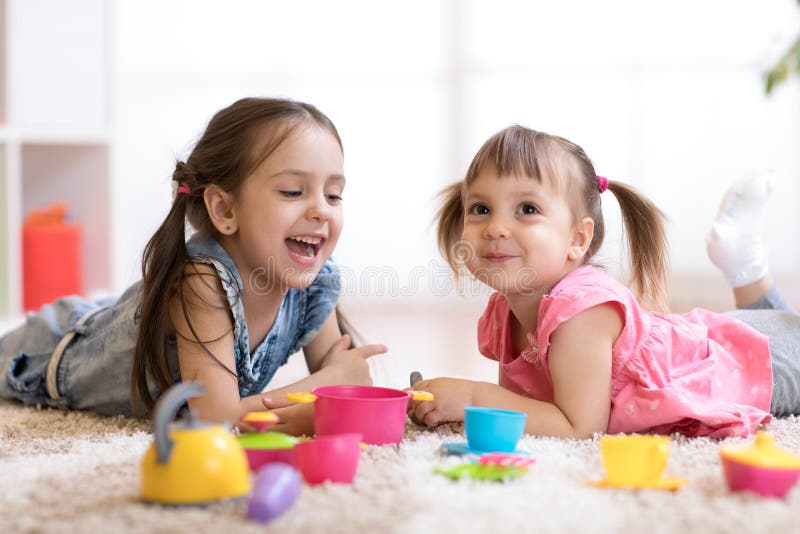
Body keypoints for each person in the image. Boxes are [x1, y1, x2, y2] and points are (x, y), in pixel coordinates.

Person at [0, 97, 386, 435]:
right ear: (224, 209)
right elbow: (216, 419)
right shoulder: (202, 283)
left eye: (334, 195)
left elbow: (342, 381)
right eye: (292, 191)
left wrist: (339, 386)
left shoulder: (314, 285)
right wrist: (325, 386)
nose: (321, 209)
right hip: (52, 351)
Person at [408, 124, 799, 439]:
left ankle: (747, 266)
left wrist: (473, 396)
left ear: (577, 239)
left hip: (762, 366)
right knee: (779, 322)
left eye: (526, 209)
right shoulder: (505, 309)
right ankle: (747, 267)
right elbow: (521, 408)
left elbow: (578, 426)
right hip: (724, 336)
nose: (495, 227)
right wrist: (448, 402)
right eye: (480, 209)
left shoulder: (582, 311)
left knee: (788, 332)